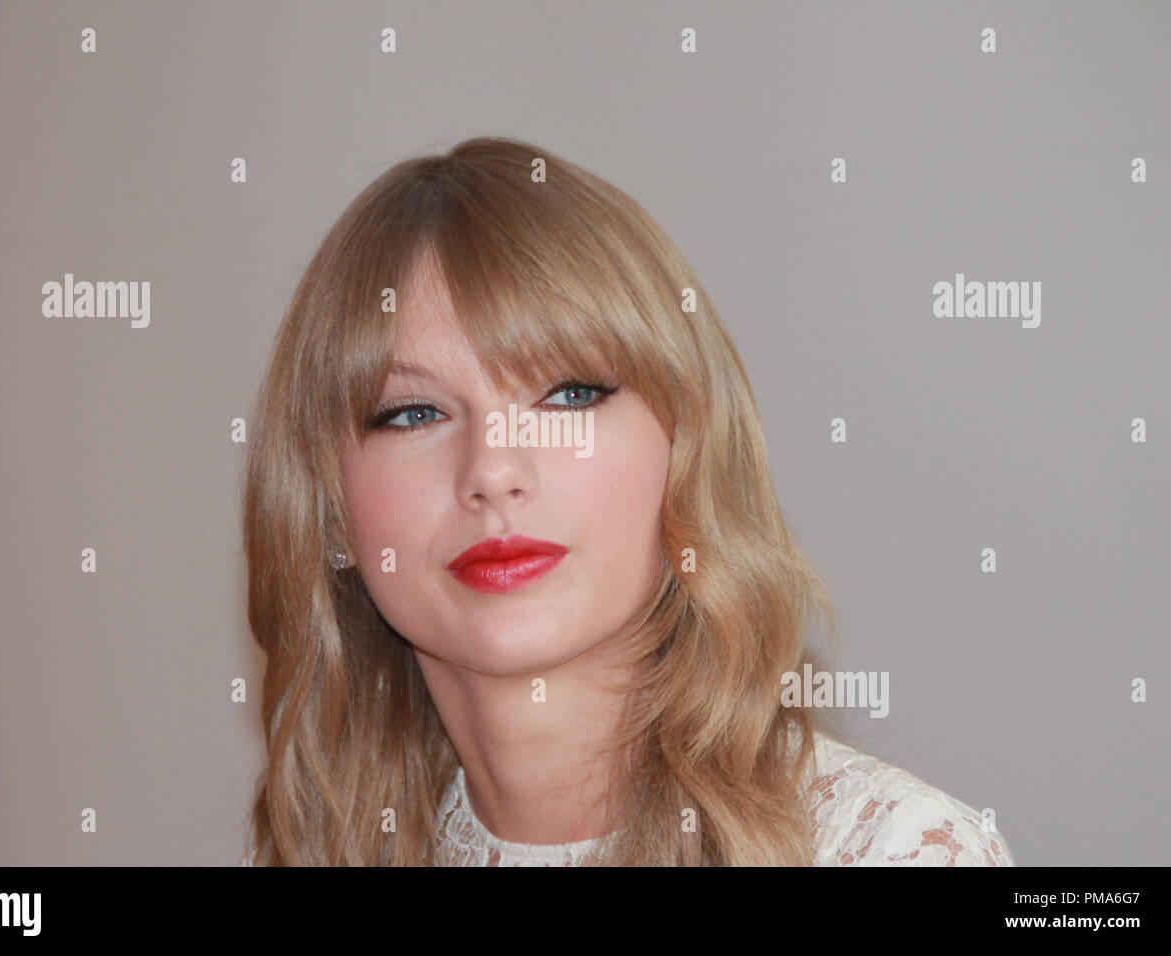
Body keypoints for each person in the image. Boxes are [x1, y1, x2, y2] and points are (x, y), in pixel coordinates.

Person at [239, 136, 1014, 866]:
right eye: (413, 413)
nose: (494, 470)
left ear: (686, 449)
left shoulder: (897, 852)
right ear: (329, 508)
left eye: (568, 393)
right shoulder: (323, 846)